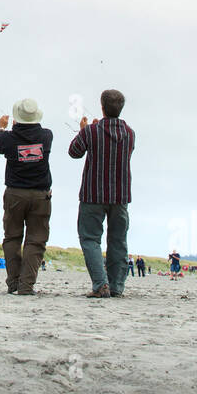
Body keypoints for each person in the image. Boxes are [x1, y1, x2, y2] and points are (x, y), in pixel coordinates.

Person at [71, 89, 136, 298]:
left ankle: (101, 285)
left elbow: (74, 152)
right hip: (120, 195)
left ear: (102, 107)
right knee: (118, 241)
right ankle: (116, 286)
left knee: (90, 238)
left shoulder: (91, 131)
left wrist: (82, 130)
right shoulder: (129, 133)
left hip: (93, 194)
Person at [0, 98, 54, 296]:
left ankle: (13, 283)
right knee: (36, 240)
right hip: (40, 194)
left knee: (12, 237)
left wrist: (2, 128)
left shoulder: (9, 138)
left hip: (15, 193)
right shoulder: (46, 136)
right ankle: (26, 285)